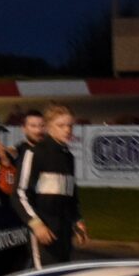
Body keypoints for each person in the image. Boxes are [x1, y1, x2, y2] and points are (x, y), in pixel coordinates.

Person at [15, 103, 87, 266]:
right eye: (61, 125)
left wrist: (77, 220)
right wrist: (36, 223)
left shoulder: (68, 156)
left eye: (70, 125)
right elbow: (19, 193)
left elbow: (70, 194)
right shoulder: (34, 153)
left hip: (63, 230)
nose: (67, 130)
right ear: (48, 127)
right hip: (43, 228)